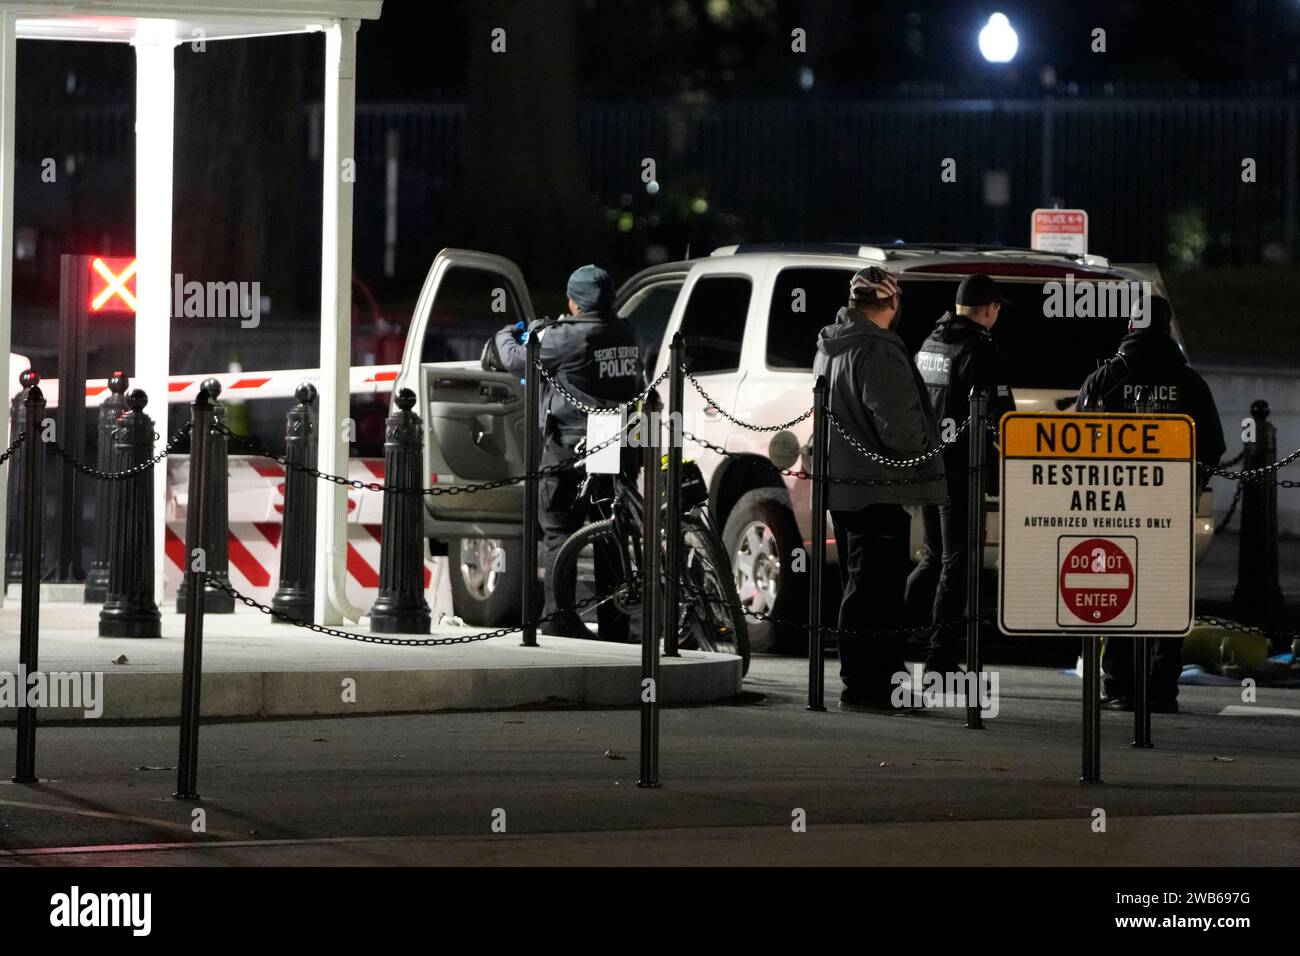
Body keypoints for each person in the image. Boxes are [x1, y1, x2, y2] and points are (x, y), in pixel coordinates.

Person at [1077, 291, 1226, 713]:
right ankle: (1162, 690)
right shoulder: (1191, 382)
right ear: (1166, 329)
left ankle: (1119, 685)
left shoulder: (1107, 377)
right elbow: (1214, 445)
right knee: (1167, 598)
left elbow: (1076, 439)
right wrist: (1191, 487)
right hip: (1171, 509)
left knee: (1118, 590)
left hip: (1116, 507)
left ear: (1130, 328)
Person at [813, 266, 946, 711]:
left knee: (862, 585)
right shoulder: (878, 350)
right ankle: (871, 687)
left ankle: (868, 682)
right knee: (877, 592)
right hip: (878, 487)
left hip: (845, 484)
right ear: (891, 302)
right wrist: (926, 453)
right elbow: (900, 431)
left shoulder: (830, 345)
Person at [493, 264, 644, 640]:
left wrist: (507, 332)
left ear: (573, 303)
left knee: (559, 530)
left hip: (570, 447)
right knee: (610, 531)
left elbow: (515, 358)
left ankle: (558, 620)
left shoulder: (564, 338)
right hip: (618, 443)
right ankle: (614, 626)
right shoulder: (625, 330)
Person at [905, 273, 1017, 674]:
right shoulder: (980, 351)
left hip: (929, 469)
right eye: (998, 308)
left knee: (933, 558)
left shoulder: (930, 344)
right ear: (989, 309)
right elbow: (1004, 420)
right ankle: (941, 658)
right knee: (957, 563)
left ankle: (889, 633)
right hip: (961, 472)